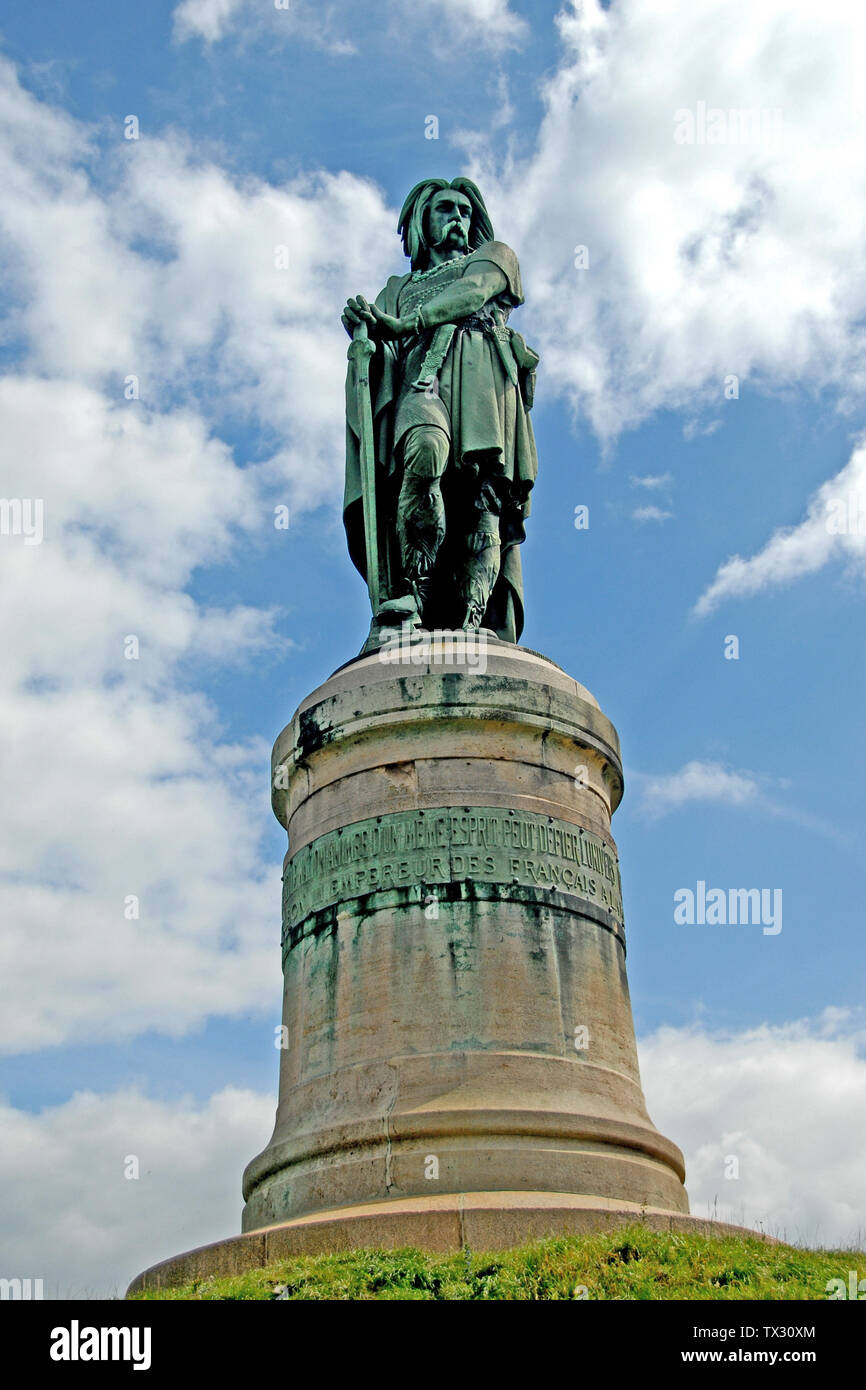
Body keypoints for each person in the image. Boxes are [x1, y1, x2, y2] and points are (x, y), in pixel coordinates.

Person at [343, 177, 539, 642]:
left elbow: (473, 292)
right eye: (445, 209)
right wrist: (365, 338)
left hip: (482, 376)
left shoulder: (496, 257)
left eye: (465, 211)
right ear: (421, 223)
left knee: (482, 499)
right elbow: (382, 354)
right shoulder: (397, 288)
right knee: (424, 450)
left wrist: (406, 322)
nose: (457, 218)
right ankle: (415, 590)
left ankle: (474, 618)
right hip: (420, 377)